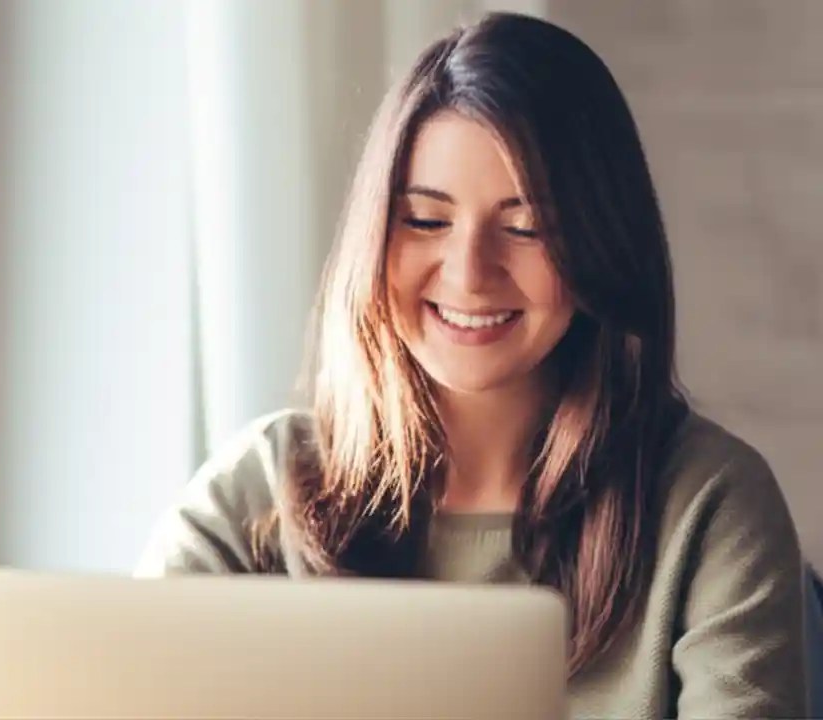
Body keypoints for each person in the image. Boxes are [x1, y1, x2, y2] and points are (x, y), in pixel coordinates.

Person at [135, 11, 808, 719]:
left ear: (601, 244)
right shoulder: (252, 499)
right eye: (426, 220)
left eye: (526, 228)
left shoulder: (707, 507)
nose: (469, 272)